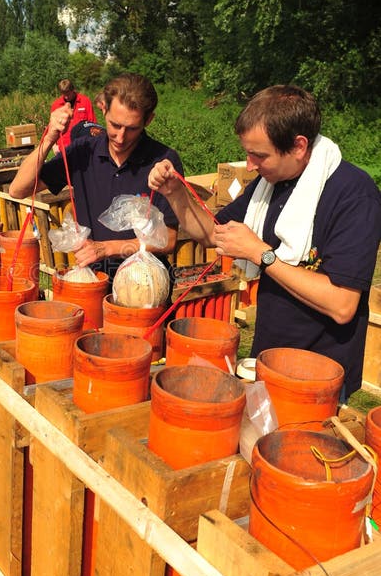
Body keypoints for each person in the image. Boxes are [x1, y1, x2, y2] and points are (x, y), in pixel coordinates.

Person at [148, 84, 381, 399]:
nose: (251, 165)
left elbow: (342, 305)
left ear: (298, 146)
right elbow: (212, 234)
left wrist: (262, 254)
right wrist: (175, 194)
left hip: (318, 380)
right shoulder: (270, 184)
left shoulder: (354, 194)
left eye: (259, 155)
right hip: (267, 359)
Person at [10, 72, 184, 281]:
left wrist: (106, 248)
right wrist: (48, 138)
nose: (120, 137)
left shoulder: (163, 160)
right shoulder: (83, 152)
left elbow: (169, 240)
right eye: (115, 125)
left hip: (145, 287)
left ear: (148, 120)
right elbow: (18, 190)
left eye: (131, 129)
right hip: (93, 283)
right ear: (103, 109)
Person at [50, 79, 96, 151]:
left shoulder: (85, 101)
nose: (66, 97)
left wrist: (94, 142)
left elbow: (93, 123)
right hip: (63, 147)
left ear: (73, 90)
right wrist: (54, 146)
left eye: (68, 94)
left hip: (83, 145)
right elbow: (52, 126)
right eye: (64, 94)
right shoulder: (56, 105)